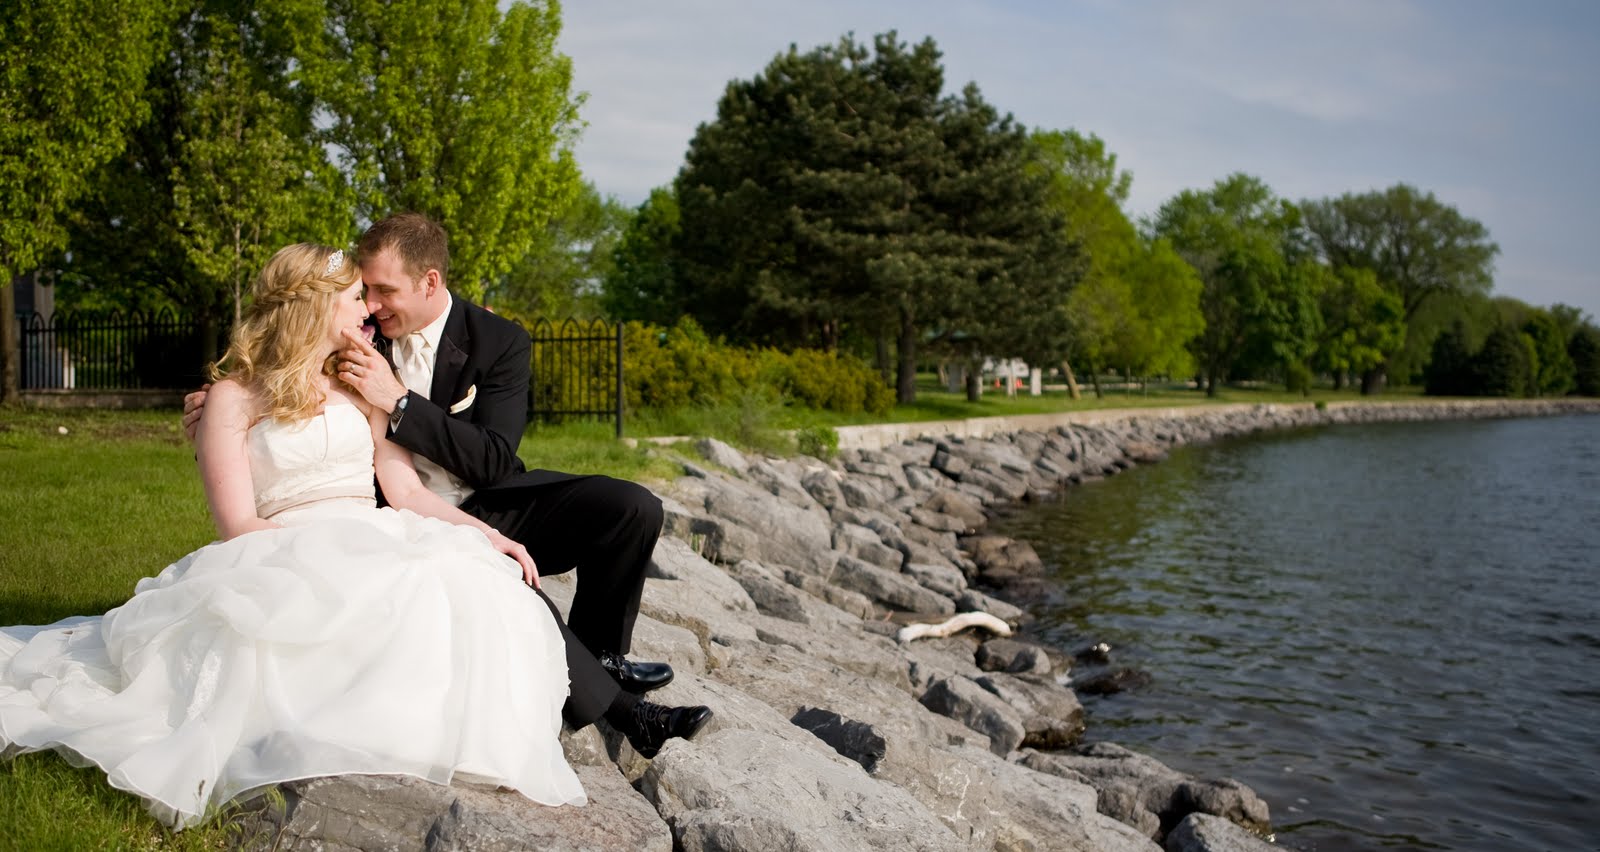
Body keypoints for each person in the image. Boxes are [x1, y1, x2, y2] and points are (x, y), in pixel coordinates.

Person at [0, 244, 707, 829]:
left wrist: (486, 537)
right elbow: (236, 526)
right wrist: (312, 561)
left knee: (476, 575)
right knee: (386, 596)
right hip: (279, 549)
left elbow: (401, 491)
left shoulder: (359, 386)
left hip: (373, 527)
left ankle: (609, 710)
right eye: (352, 299)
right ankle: (618, 711)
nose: (366, 309)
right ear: (315, 306)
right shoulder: (230, 400)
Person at [187, 214, 676, 704]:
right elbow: (287, 369)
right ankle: (612, 704)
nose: (372, 307)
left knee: (633, 506)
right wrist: (222, 418)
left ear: (430, 282)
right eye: (364, 293)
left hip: (476, 498)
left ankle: (604, 655)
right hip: (385, 517)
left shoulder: (498, 340)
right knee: (488, 586)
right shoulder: (356, 332)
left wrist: (400, 402)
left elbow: (494, 461)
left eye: (383, 291)